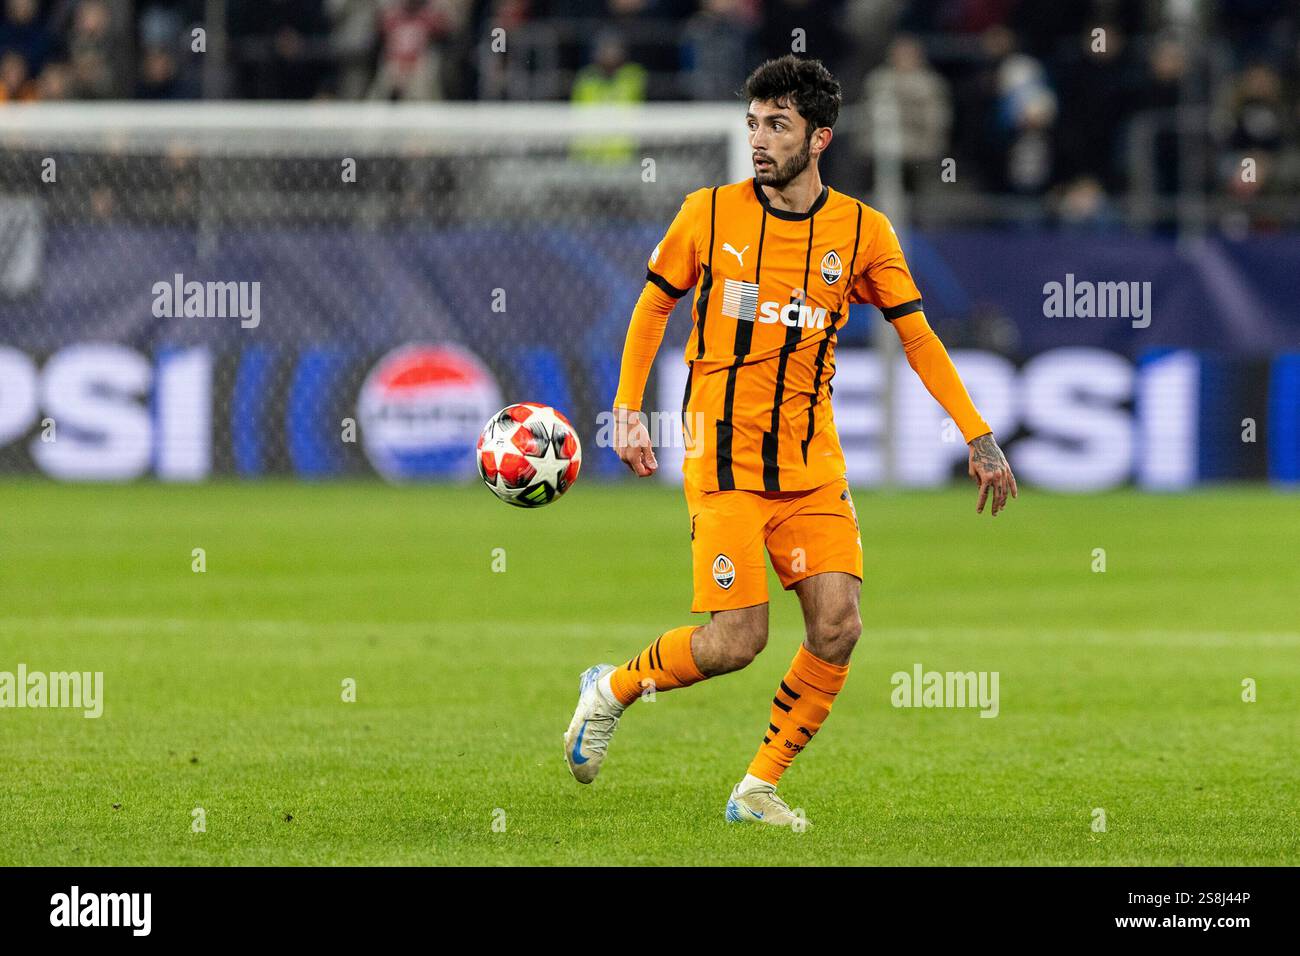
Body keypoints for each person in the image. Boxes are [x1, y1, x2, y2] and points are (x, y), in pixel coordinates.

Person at [563, 55, 1017, 828]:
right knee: (737, 640)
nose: (760, 139)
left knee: (838, 626)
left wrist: (979, 435)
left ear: (820, 138)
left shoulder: (864, 232)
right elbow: (651, 309)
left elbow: (920, 340)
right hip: (724, 464)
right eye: (753, 124)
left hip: (810, 470)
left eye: (778, 124)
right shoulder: (707, 212)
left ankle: (757, 788)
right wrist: (627, 408)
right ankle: (610, 689)